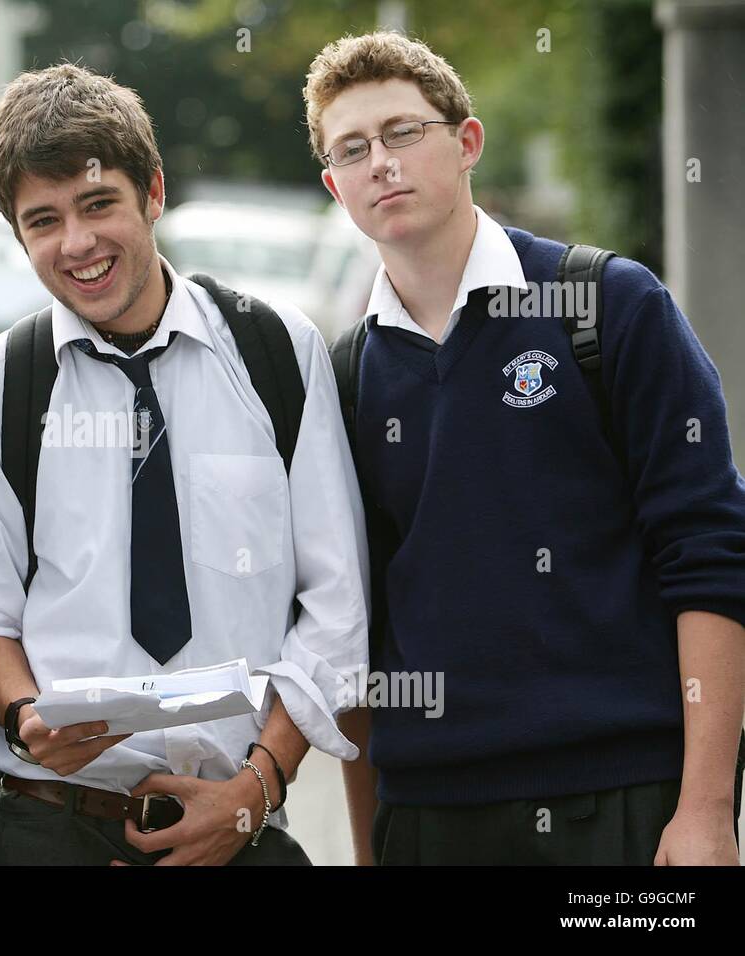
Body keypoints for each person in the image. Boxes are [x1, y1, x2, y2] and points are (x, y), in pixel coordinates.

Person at [307, 31, 745, 865]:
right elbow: (354, 631)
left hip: (618, 804)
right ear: (335, 185)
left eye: (404, 132)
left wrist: (707, 810)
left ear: (466, 142)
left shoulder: (607, 305)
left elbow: (712, 554)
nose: (381, 164)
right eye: (352, 149)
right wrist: (369, 849)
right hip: (429, 818)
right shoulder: (347, 378)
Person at [0, 63, 369, 866]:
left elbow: (336, 606)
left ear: (154, 192)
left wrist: (257, 788)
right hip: (49, 827)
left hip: (239, 821)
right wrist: (27, 715)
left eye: (99, 204)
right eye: (44, 220)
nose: (78, 243)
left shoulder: (278, 353)